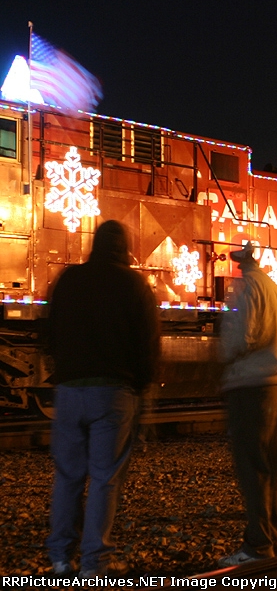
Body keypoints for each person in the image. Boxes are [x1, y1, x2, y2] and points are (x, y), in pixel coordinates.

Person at [45, 220, 161, 578]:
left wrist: (62, 369)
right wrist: (143, 387)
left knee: (67, 476)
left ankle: (60, 557)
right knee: (104, 478)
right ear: (125, 247)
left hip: (68, 391)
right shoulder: (134, 284)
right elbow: (148, 343)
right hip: (113, 393)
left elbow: (47, 331)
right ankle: (95, 562)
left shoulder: (68, 279)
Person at [218, 242, 277, 567]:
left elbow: (244, 335)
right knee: (270, 469)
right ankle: (271, 539)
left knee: (252, 469)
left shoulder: (248, 288)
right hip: (276, 385)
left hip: (250, 387)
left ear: (242, 263)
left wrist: (223, 358)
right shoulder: (276, 290)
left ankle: (258, 546)